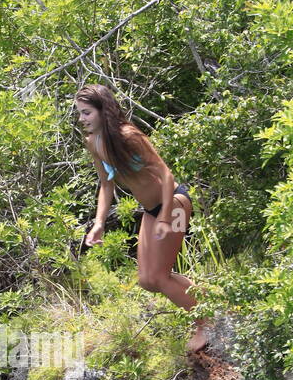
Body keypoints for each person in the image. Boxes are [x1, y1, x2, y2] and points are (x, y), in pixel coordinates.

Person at [75, 84, 208, 352]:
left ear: (103, 111)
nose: (82, 119)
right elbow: (106, 184)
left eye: (87, 112)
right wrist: (99, 222)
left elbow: (166, 174)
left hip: (176, 205)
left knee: (158, 276)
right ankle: (209, 300)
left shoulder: (129, 136)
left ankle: (206, 325)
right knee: (148, 281)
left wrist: (165, 216)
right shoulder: (93, 142)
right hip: (152, 211)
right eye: (79, 113)